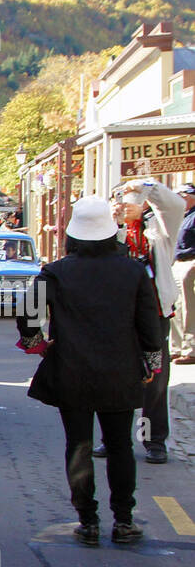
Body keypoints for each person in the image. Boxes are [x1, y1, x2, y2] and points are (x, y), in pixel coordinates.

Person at [19, 196, 163, 545]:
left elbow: (28, 315)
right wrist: (153, 364)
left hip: (72, 369)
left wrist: (39, 346)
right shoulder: (133, 271)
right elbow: (149, 325)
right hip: (121, 370)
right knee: (120, 446)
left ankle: (88, 520)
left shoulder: (56, 271)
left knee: (79, 445)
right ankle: (124, 520)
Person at [110, 178, 182, 463]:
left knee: (156, 378)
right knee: (117, 377)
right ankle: (113, 438)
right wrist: (115, 224)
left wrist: (148, 187)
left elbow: (175, 206)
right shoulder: (110, 230)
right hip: (120, 315)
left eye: (133, 200)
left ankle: (153, 440)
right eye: (124, 199)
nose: (128, 205)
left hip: (154, 313)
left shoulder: (158, 232)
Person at [171, 182, 195, 364]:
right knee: (176, 305)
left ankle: (190, 349)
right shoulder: (184, 216)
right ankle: (177, 347)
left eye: (182, 196)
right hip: (178, 261)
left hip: (190, 261)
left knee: (188, 307)